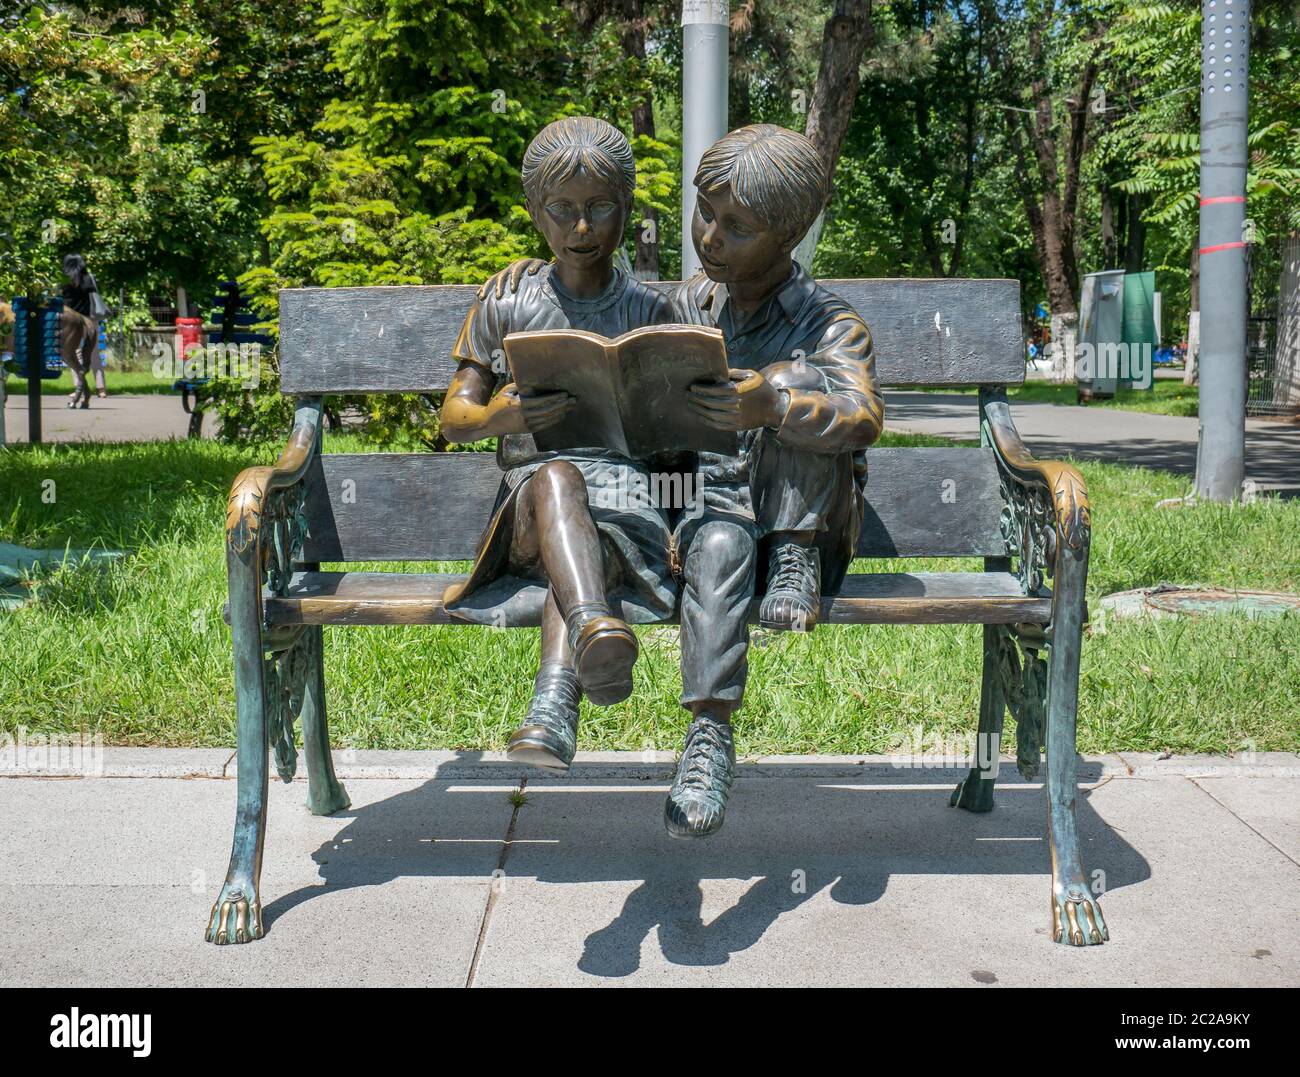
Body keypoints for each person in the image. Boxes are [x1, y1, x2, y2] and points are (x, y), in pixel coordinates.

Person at [438, 117, 680, 771]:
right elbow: (453, 417)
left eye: (600, 208)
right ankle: (595, 632)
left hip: (626, 516)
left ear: (626, 209)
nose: (582, 229)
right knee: (556, 479)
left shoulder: (652, 311)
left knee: (584, 556)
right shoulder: (508, 304)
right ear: (535, 212)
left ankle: (552, 709)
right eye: (562, 211)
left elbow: (688, 434)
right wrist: (498, 418)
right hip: (530, 509)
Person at [664, 124, 884, 837]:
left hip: (810, 533)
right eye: (705, 212)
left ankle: (792, 553)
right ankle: (708, 737)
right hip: (707, 521)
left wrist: (773, 406)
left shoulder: (828, 322)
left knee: (789, 381)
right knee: (722, 541)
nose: (710, 237)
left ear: (786, 236)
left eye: (736, 226)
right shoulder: (689, 305)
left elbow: (861, 415)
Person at [59, 253, 103, 408]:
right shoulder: (87, 278)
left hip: (68, 321)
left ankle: (80, 389)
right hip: (89, 320)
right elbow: (92, 294)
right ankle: (100, 388)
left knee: (72, 357)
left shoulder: (65, 279)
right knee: (94, 356)